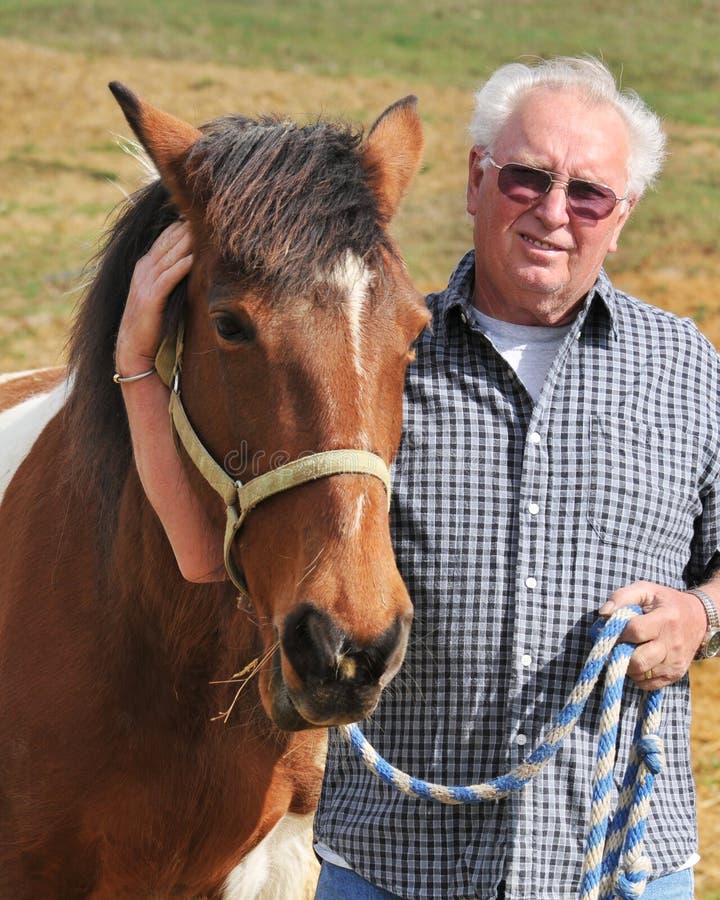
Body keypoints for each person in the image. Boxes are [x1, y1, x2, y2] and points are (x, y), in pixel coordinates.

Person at [116, 57, 719, 899]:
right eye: (526, 178)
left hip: (616, 864)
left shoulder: (688, 368)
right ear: (477, 179)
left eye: (588, 194)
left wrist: (699, 612)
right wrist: (137, 365)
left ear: (620, 219)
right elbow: (202, 555)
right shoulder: (379, 363)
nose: (553, 212)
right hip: (401, 868)